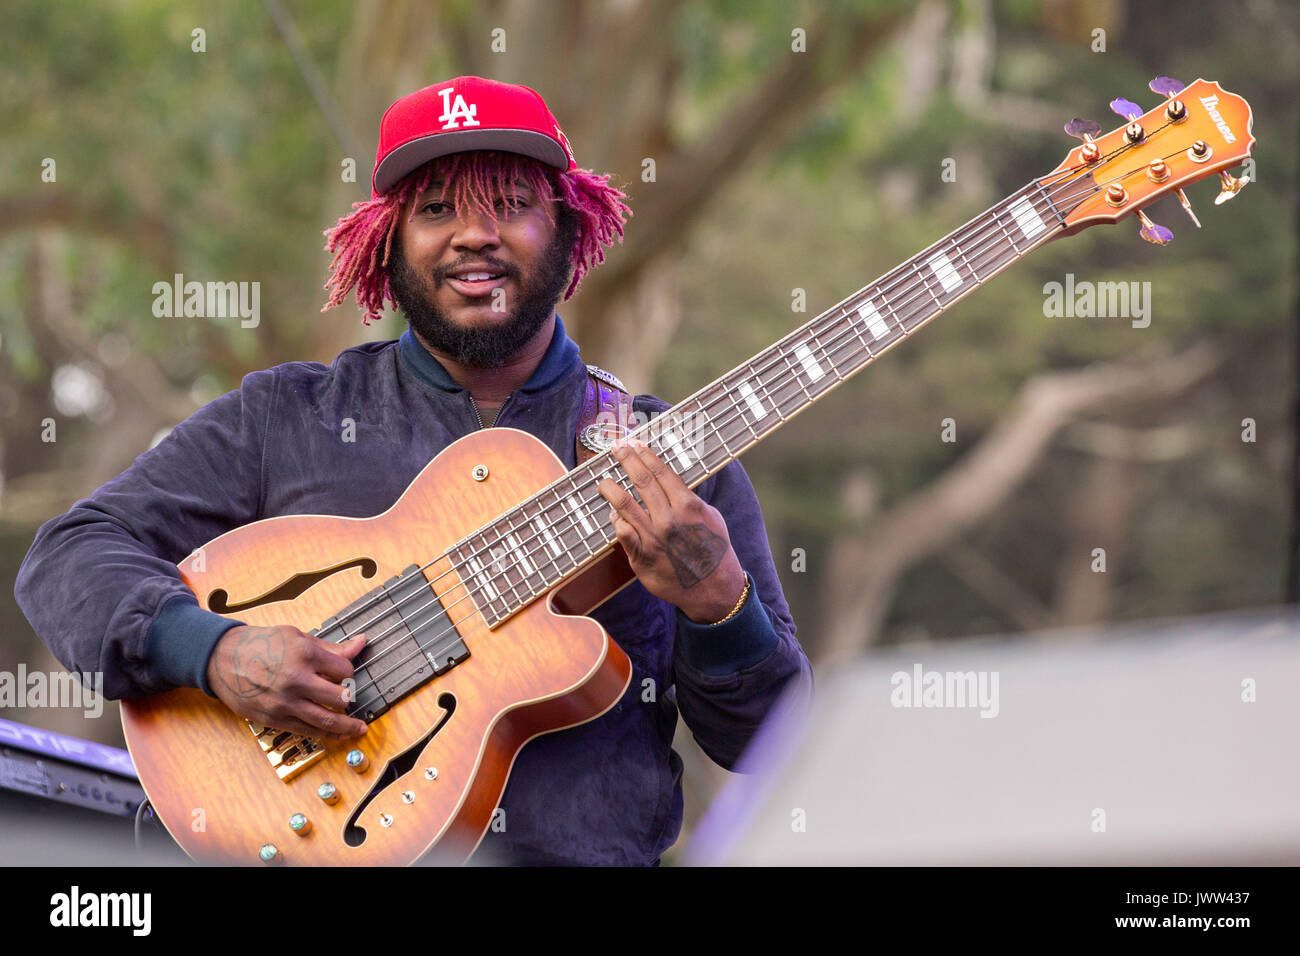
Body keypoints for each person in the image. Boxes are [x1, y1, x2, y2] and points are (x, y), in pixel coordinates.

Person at [14, 75, 813, 865]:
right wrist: (215, 653)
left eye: (510, 205)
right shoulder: (285, 416)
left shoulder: (672, 463)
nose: (475, 235)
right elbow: (66, 558)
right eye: (436, 210)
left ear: (570, 229)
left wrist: (717, 604)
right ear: (385, 241)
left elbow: (771, 747)